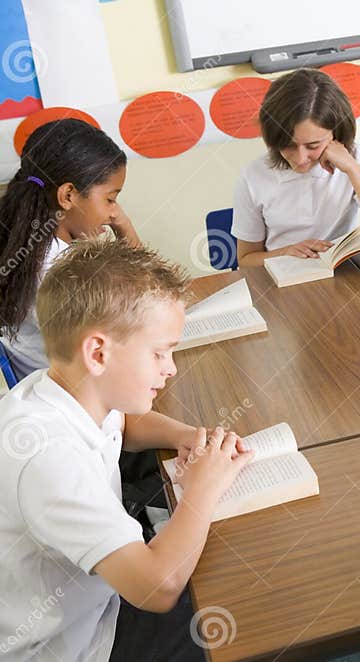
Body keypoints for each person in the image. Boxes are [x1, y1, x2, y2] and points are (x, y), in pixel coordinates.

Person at [0, 238, 253, 661]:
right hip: (80, 644)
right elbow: (157, 588)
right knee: (235, 616)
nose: (170, 368)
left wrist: (185, 436)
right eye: (159, 353)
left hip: (99, 603)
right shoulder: (47, 458)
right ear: (98, 352)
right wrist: (203, 490)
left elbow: (126, 423)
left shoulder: (65, 389)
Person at [0, 118, 138, 381]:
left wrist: (122, 223)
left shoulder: (31, 242)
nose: (114, 213)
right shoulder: (56, 271)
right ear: (68, 196)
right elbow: (141, 306)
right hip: (75, 395)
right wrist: (126, 228)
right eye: (110, 199)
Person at [233, 68, 360, 266]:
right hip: (282, 278)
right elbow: (246, 260)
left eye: (313, 146)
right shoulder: (254, 176)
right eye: (288, 145)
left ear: (336, 134)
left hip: (343, 274)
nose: (301, 158)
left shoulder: (354, 158)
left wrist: (353, 170)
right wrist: (285, 253)